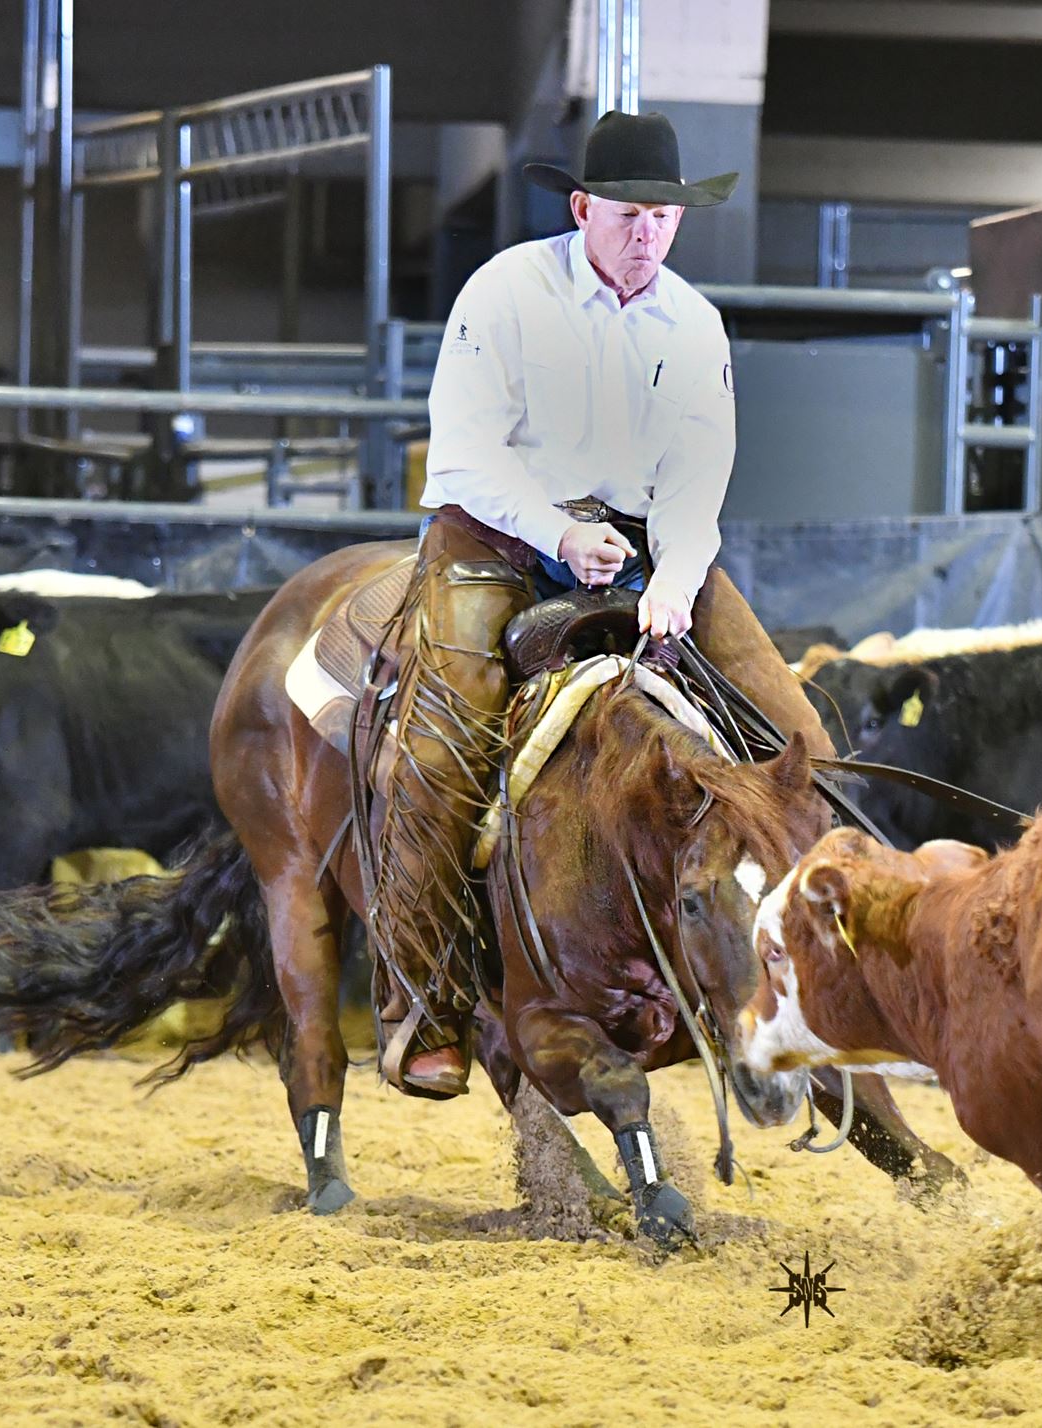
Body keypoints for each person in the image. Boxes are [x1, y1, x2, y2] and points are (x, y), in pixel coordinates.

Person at [371, 109, 834, 1098]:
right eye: (628, 215)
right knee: (433, 750)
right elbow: (462, 451)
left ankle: (825, 981)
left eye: (663, 219)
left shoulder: (692, 322)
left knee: (803, 750)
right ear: (582, 208)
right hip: (494, 542)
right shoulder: (504, 294)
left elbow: (699, 476)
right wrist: (556, 532)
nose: (647, 235)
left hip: (647, 553)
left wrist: (672, 580)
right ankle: (427, 999)